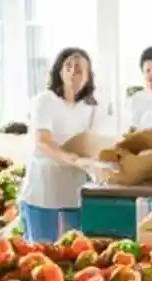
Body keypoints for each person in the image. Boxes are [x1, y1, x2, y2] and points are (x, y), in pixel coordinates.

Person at [18, 48, 107, 243]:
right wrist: (76, 160)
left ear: (88, 77)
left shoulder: (92, 109)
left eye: (79, 69)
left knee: (72, 251)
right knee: (40, 252)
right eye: (69, 66)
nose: (73, 72)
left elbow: (95, 145)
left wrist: (96, 165)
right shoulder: (45, 101)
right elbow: (43, 142)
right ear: (60, 71)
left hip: (74, 192)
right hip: (43, 189)